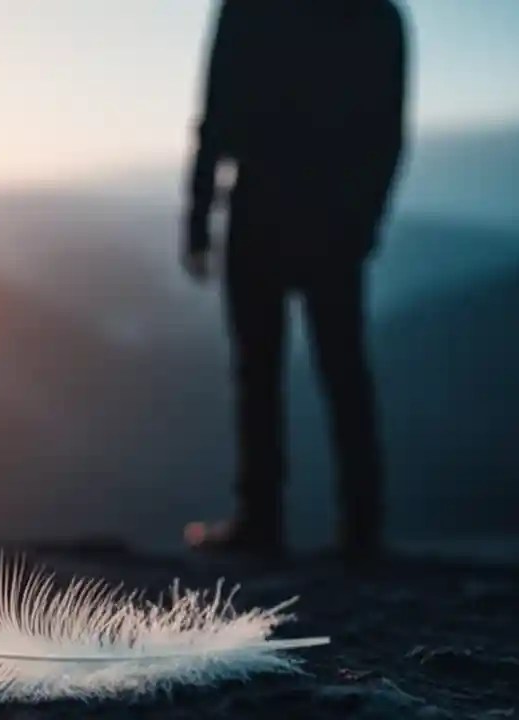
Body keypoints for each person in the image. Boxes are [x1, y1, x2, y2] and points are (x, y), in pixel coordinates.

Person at [182, 0, 407, 563]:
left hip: (261, 205)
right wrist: (367, 217)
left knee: (260, 368)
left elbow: (216, 110)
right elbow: (387, 132)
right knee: (341, 368)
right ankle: (361, 527)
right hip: (334, 216)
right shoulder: (374, 17)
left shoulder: (250, 10)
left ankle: (263, 520)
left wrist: (199, 214)